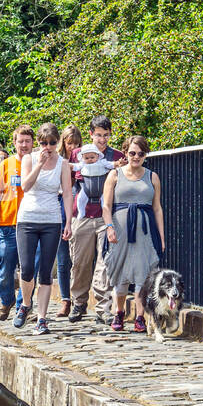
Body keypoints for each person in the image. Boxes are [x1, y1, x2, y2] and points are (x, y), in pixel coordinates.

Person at [13, 123, 73, 335]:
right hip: (28, 218)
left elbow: (67, 193)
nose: (48, 147)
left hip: (52, 220)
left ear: (58, 143)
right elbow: (25, 186)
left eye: (52, 143)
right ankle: (26, 304)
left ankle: (42, 319)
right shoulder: (29, 158)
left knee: (46, 272)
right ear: (38, 143)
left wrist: (68, 222)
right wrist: (39, 163)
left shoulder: (63, 164)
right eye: (44, 143)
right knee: (27, 268)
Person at [102, 135, 166, 332]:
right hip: (120, 229)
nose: (136, 157)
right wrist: (109, 227)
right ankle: (119, 313)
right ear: (125, 153)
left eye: (140, 153)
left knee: (143, 272)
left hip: (144, 231)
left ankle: (140, 317)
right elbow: (106, 205)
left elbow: (157, 208)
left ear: (145, 155)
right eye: (132, 153)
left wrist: (161, 237)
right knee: (119, 271)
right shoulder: (114, 175)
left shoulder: (152, 177)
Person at [69, 116, 126, 323]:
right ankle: (79, 303)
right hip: (82, 214)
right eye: (99, 135)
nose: (102, 140)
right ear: (91, 134)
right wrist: (67, 219)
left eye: (106, 135)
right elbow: (68, 186)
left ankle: (103, 308)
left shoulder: (117, 156)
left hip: (106, 216)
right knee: (80, 262)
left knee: (105, 262)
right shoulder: (78, 154)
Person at [0, 127, 34, 320]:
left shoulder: (37, 163)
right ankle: (6, 301)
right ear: (14, 143)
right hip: (8, 224)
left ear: (33, 143)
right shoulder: (6, 165)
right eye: (20, 141)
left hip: (31, 224)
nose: (24, 145)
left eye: (27, 141)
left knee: (29, 268)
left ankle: (24, 305)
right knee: (5, 266)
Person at [53, 126, 81, 317]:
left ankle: (80, 299)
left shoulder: (85, 157)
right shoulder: (56, 160)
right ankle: (65, 299)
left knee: (79, 259)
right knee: (63, 258)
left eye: (76, 143)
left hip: (79, 209)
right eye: (69, 143)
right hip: (60, 208)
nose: (72, 147)